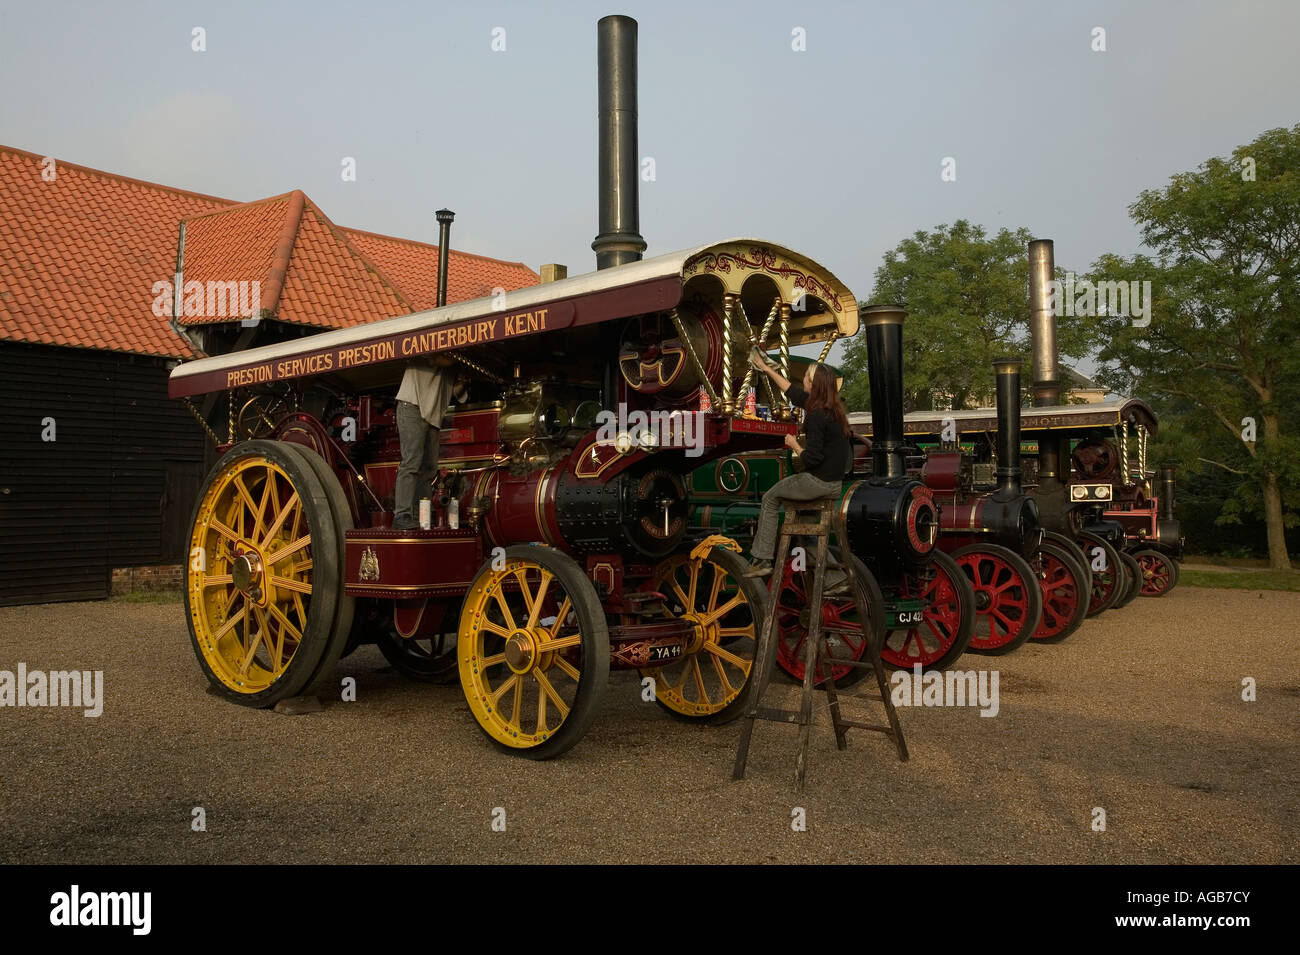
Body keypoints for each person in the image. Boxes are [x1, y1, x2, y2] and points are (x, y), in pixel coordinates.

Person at [743, 349, 853, 576]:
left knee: (770, 498)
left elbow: (812, 460)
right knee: (806, 525)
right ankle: (835, 579)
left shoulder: (815, 416)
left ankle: (762, 560)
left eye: (806, 377)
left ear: (812, 383)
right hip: (834, 483)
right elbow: (792, 392)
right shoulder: (831, 409)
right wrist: (765, 369)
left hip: (819, 481)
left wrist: (794, 444)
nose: (802, 379)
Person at [392, 355, 469, 531]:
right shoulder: (431, 344)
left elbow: (456, 392)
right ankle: (402, 515)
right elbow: (440, 360)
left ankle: (423, 514)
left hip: (433, 414)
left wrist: (463, 379)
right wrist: (466, 358)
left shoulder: (453, 359)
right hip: (412, 406)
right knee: (411, 463)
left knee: (429, 468)